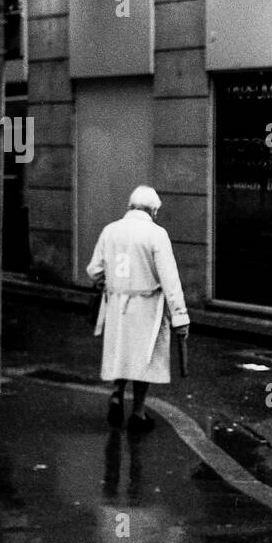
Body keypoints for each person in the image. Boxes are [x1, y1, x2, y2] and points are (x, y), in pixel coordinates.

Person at [86, 185, 190, 433]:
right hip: (147, 306)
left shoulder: (110, 231)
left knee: (121, 353)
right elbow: (170, 279)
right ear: (153, 210)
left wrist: (111, 281)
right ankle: (138, 413)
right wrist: (180, 316)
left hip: (116, 305)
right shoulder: (156, 234)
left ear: (130, 206)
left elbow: (94, 270)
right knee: (143, 360)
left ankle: (116, 393)